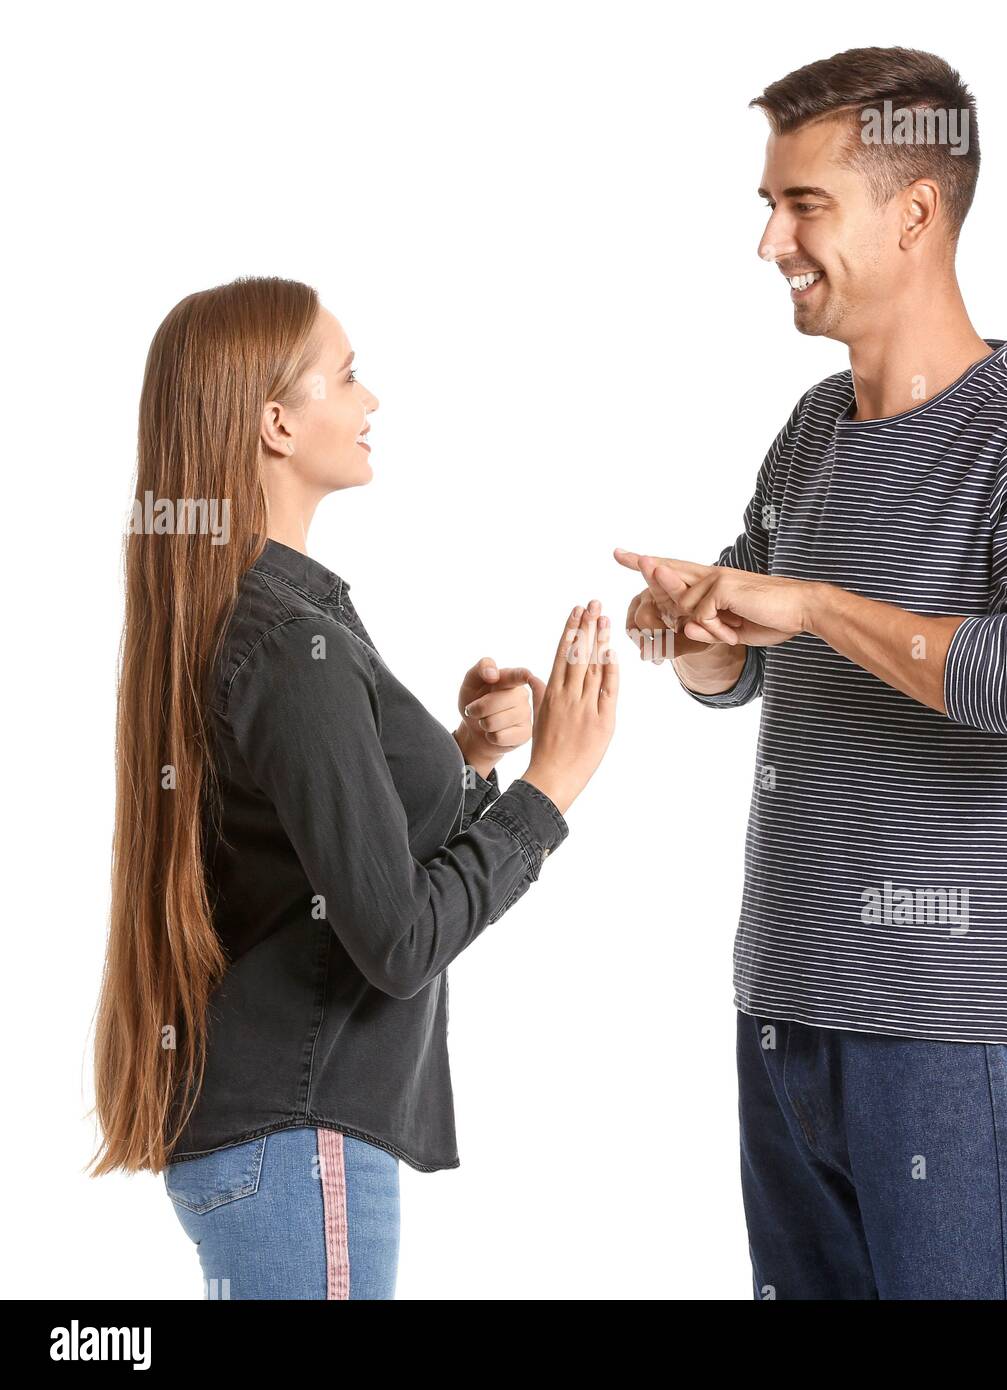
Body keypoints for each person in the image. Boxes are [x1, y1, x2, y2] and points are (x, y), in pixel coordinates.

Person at [617, 47, 1007, 1300]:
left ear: (913, 213)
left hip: (942, 1030)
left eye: (802, 206)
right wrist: (700, 641)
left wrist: (806, 603)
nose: (768, 243)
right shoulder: (809, 431)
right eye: (767, 204)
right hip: (780, 1003)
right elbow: (752, 662)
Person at [89, 275, 618, 1299]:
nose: (371, 400)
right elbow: (398, 940)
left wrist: (463, 758)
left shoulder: (259, 614)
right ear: (276, 424)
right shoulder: (293, 642)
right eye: (348, 374)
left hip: (265, 1138)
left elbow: (326, 858)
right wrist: (548, 790)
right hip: (296, 1139)